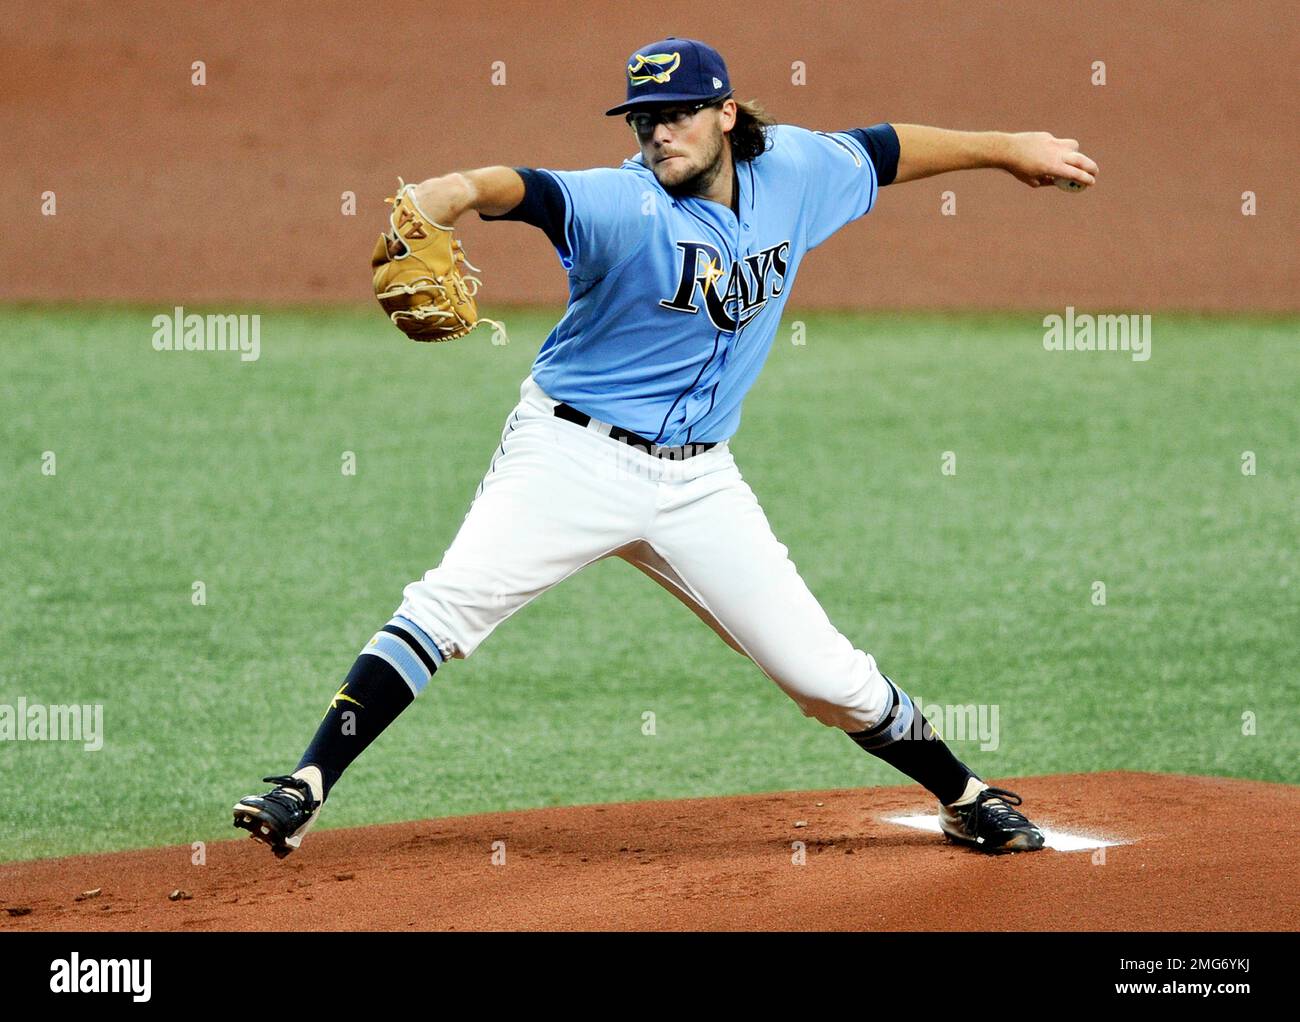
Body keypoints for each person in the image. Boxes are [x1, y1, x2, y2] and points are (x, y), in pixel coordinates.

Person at [234, 36, 1097, 859]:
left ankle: (966, 797)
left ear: (725, 114)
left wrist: (1008, 146)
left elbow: (886, 148)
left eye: (679, 112)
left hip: (699, 482)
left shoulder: (793, 169)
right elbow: (526, 189)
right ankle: (305, 784)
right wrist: (449, 191)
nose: (659, 132)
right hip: (570, 457)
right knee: (448, 605)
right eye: (644, 118)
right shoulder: (626, 202)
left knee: (824, 676)